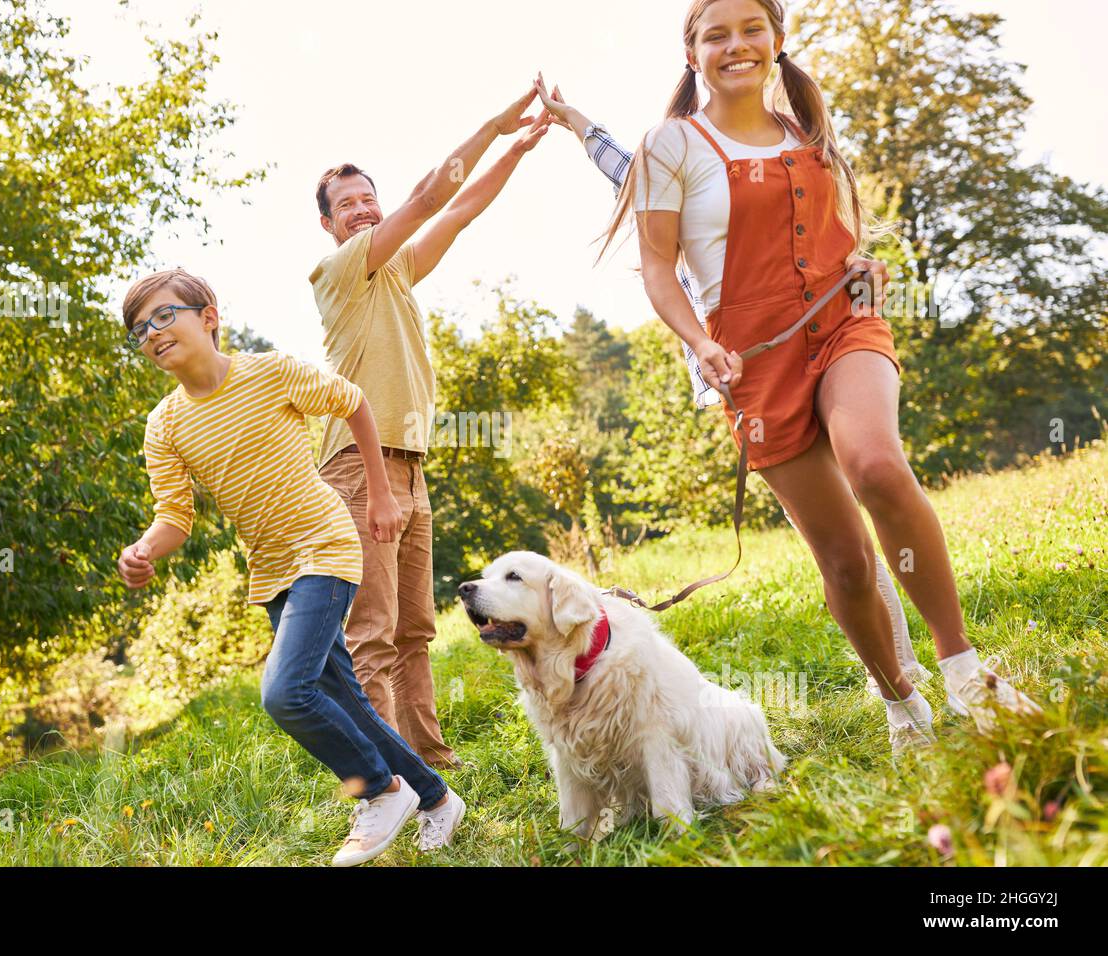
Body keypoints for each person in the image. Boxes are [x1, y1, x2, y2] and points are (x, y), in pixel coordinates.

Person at [557, 0, 1040, 753]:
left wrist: (864, 263)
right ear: (692, 54)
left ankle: (967, 675)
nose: (737, 45)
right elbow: (657, 268)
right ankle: (901, 701)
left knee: (877, 465)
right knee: (846, 561)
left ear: (778, 41)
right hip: (748, 360)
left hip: (842, 323)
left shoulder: (807, 132)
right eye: (716, 35)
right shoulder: (669, 145)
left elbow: (835, 235)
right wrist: (698, 343)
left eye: (752, 29)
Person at [531, 73, 930, 702]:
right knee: (841, 543)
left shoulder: (777, 152)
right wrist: (571, 118)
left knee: (866, 490)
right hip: (744, 367)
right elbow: (617, 161)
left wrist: (854, 267)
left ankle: (914, 667)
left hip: (818, 337)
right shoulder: (670, 169)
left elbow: (824, 223)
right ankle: (900, 674)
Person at [116, 268, 465, 865]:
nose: (152, 332)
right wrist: (144, 548)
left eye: (164, 314)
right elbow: (174, 515)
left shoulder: (269, 371)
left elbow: (353, 402)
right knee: (346, 700)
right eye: (140, 328)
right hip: (272, 567)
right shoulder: (164, 424)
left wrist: (379, 494)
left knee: (284, 692)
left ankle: (379, 790)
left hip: (325, 544)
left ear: (209, 316)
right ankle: (435, 799)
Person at [311, 89, 552, 770]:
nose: (363, 208)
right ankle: (387, 781)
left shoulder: (401, 274)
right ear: (329, 225)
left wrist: (517, 148)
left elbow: (462, 207)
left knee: (415, 629)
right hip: (359, 468)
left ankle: (431, 765)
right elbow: (427, 196)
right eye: (347, 204)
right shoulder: (338, 272)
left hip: (408, 466)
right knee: (374, 633)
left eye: (368, 198)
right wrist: (494, 123)